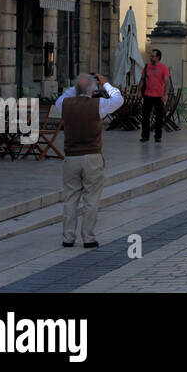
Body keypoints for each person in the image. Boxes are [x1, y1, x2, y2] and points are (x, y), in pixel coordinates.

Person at [54, 73, 124, 248]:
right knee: (91, 199)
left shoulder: (64, 104)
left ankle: (68, 237)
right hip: (92, 156)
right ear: (92, 89)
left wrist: (79, 85)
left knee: (70, 198)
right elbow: (118, 100)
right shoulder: (98, 105)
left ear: (75, 89)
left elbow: (64, 96)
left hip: (71, 157)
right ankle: (88, 237)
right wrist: (105, 84)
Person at [138, 49, 172, 143]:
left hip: (158, 96)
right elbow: (142, 79)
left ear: (158, 57)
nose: (151, 57)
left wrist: (165, 94)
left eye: (153, 56)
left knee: (158, 117)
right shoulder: (147, 67)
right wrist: (139, 91)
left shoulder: (163, 68)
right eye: (151, 55)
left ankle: (158, 136)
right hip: (148, 95)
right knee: (145, 116)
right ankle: (145, 136)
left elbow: (167, 82)